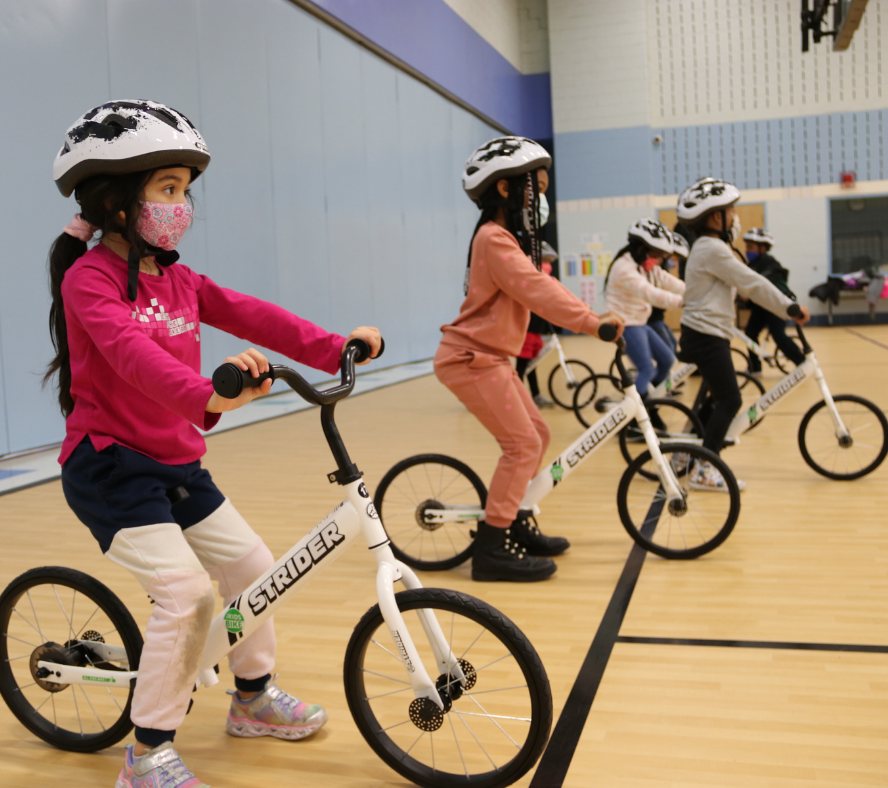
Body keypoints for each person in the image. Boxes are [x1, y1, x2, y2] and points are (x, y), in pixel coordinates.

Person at [46, 100, 382, 788]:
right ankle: (146, 756)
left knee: (254, 569)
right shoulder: (89, 280)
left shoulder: (179, 278)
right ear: (114, 202)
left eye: (183, 191)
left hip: (176, 460)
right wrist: (209, 395)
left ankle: (252, 698)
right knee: (187, 595)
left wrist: (335, 347)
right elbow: (131, 355)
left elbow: (254, 314)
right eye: (166, 189)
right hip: (111, 467)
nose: (180, 206)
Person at [435, 136, 624, 582]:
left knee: (537, 434)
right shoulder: (494, 238)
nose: (540, 200)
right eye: (534, 189)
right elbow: (537, 291)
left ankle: (516, 518)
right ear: (505, 189)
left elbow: (542, 285)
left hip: (490, 358)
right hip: (471, 359)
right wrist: (591, 322)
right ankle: (492, 547)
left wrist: (590, 317)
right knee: (521, 446)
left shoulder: (502, 238)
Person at [675, 178, 810, 490]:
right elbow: (752, 282)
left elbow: (742, 286)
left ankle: (684, 452)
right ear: (715, 217)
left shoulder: (710, 247)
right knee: (730, 400)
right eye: (731, 211)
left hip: (707, 334)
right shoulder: (712, 248)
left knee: (715, 399)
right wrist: (789, 307)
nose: (735, 217)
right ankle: (704, 468)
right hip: (706, 337)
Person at [604, 219, 684, 423]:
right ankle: (632, 421)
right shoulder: (624, 268)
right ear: (641, 249)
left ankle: (648, 403)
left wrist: (697, 293)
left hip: (639, 323)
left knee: (667, 360)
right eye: (655, 255)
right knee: (647, 369)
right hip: (626, 325)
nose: (657, 260)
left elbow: (668, 281)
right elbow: (649, 293)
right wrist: (683, 302)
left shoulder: (642, 265)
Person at [741, 228, 806, 374]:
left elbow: (776, 285)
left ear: (762, 248)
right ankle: (755, 367)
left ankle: (802, 363)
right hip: (761, 307)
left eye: (751, 247)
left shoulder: (769, 263)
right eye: (747, 247)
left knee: (778, 335)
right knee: (750, 333)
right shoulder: (751, 265)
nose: (747, 251)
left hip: (776, 306)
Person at [517, 243, 560, 409]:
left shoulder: (543, 279)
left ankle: (535, 395)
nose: (548, 265)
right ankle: (516, 397)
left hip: (536, 327)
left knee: (531, 364)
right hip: (528, 327)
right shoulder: (531, 277)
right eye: (545, 261)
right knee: (522, 365)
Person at [644, 230, 689, 355]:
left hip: (657, 318)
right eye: (674, 257)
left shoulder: (660, 270)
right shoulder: (651, 269)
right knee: (669, 350)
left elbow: (678, 286)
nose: (674, 261)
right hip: (651, 319)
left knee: (673, 345)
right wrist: (680, 302)